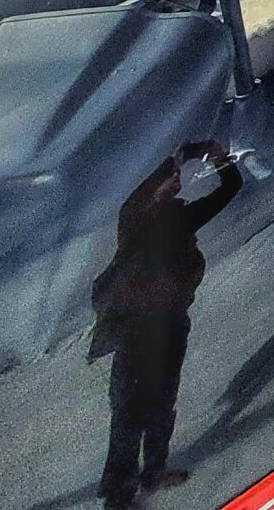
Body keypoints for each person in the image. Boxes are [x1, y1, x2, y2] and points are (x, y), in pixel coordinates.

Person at [91, 141, 244, 509]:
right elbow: (215, 185)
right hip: (136, 327)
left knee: (159, 401)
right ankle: (118, 489)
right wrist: (184, 158)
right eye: (171, 181)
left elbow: (229, 189)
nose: (178, 185)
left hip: (170, 323)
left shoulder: (172, 219)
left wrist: (213, 157)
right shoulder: (135, 219)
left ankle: (151, 470)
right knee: (131, 407)